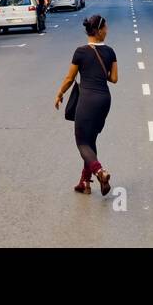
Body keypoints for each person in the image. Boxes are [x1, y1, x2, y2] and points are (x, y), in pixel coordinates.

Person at [54, 14, 118, 196]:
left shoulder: (80, 52)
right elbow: (114, 78)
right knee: (90, 141)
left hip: (87, 99)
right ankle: (84, 182)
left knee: (82, 142)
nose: (107, 31)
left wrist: (60, 93)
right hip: (104, 100)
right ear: (98, 31)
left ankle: (100, 172)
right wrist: (101, 72)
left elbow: (69, 78)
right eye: (105, 28)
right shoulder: (110, 52)